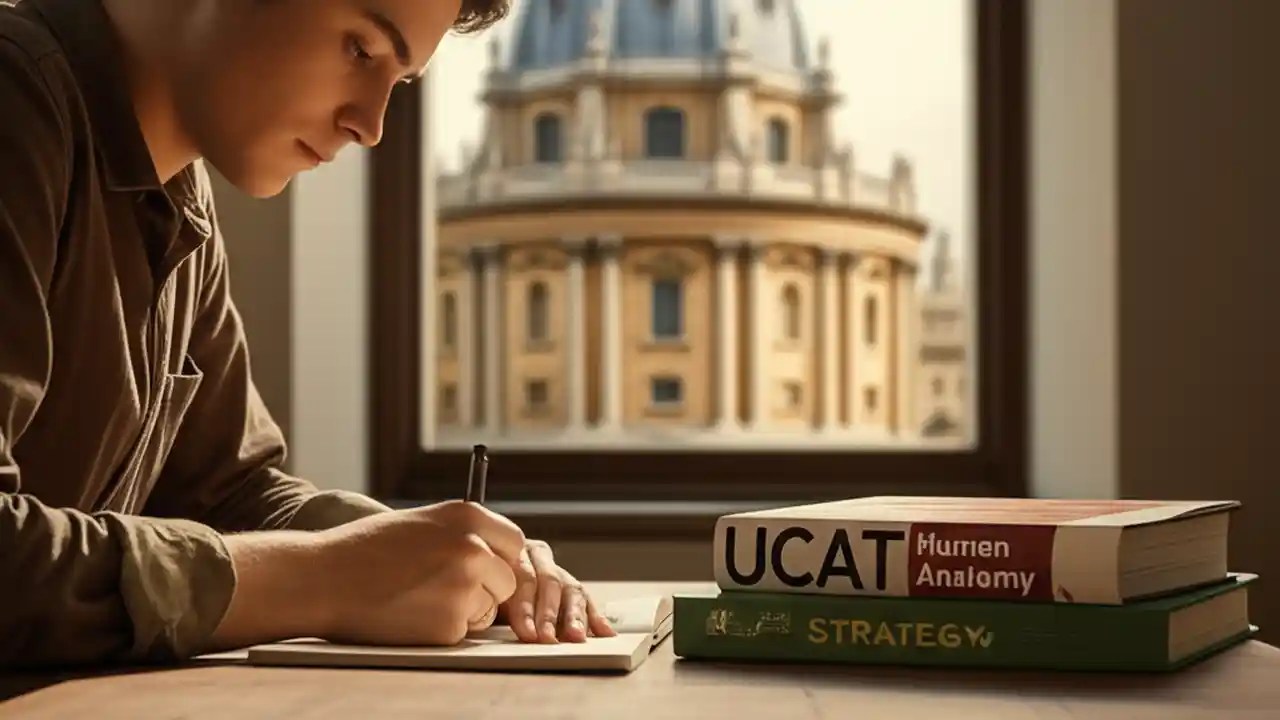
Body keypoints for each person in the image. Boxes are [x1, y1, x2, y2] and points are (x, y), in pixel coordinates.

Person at [0, 0, 615, 670]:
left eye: (399, 81)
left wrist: (454, 556)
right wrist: (324, 578)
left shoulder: (178, 196)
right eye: (359, 49)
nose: (371, 126)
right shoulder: (14, 98)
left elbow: (229, 496)